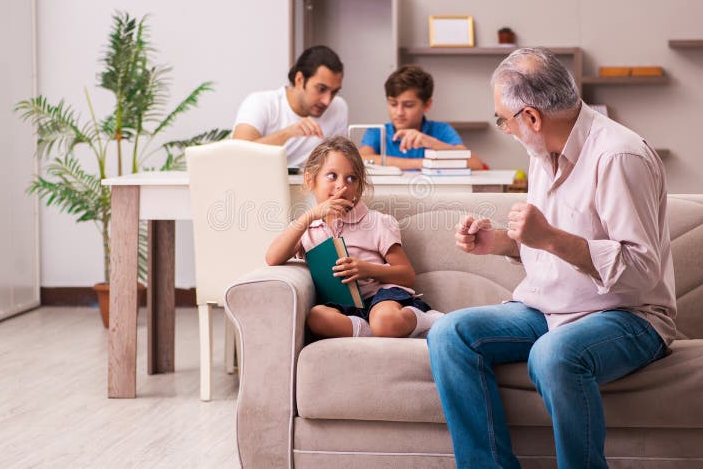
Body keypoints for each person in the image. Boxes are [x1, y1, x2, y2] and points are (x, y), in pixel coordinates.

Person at [427, 47, 676, 469]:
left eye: (503, 120)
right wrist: (500, 243)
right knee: (450, 334)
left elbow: (641, 269)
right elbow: (546, 245)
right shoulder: (541, 152)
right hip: (550, 308)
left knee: (552, 354)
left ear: (531, 117)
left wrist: (550, 237)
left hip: (629, 316)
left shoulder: (619, 156)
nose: (505, 129)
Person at [266, 135, 443, 338]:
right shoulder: (306, 229)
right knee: (316, 317)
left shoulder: (376, 222)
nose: (342, 186)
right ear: (310, 180)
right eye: (332, 176)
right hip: (343, 306)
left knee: (384, 320)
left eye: (351, 179)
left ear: (359, 186)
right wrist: (309, 216)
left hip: (383, 298)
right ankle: (370, 330)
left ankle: (428, 320)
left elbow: (407, 275)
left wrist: (367, 270)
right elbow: (272, 257)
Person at [232, 45, 348, 168]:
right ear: (299, 80)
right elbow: (237, 156)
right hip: (260, 178)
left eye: (334, 92)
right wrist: (288, 133)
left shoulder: (338, 107)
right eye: (321, 89)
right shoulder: (260, 103)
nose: (327, 101)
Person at [359, 64, 485, 170]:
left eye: (408, 105)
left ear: (427, 105)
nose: (399, 112)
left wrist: (432, 143)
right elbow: (361, 160)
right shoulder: (377, 132)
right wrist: (423, 163)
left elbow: (476, 164)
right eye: (393, 104)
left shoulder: (441, 130)